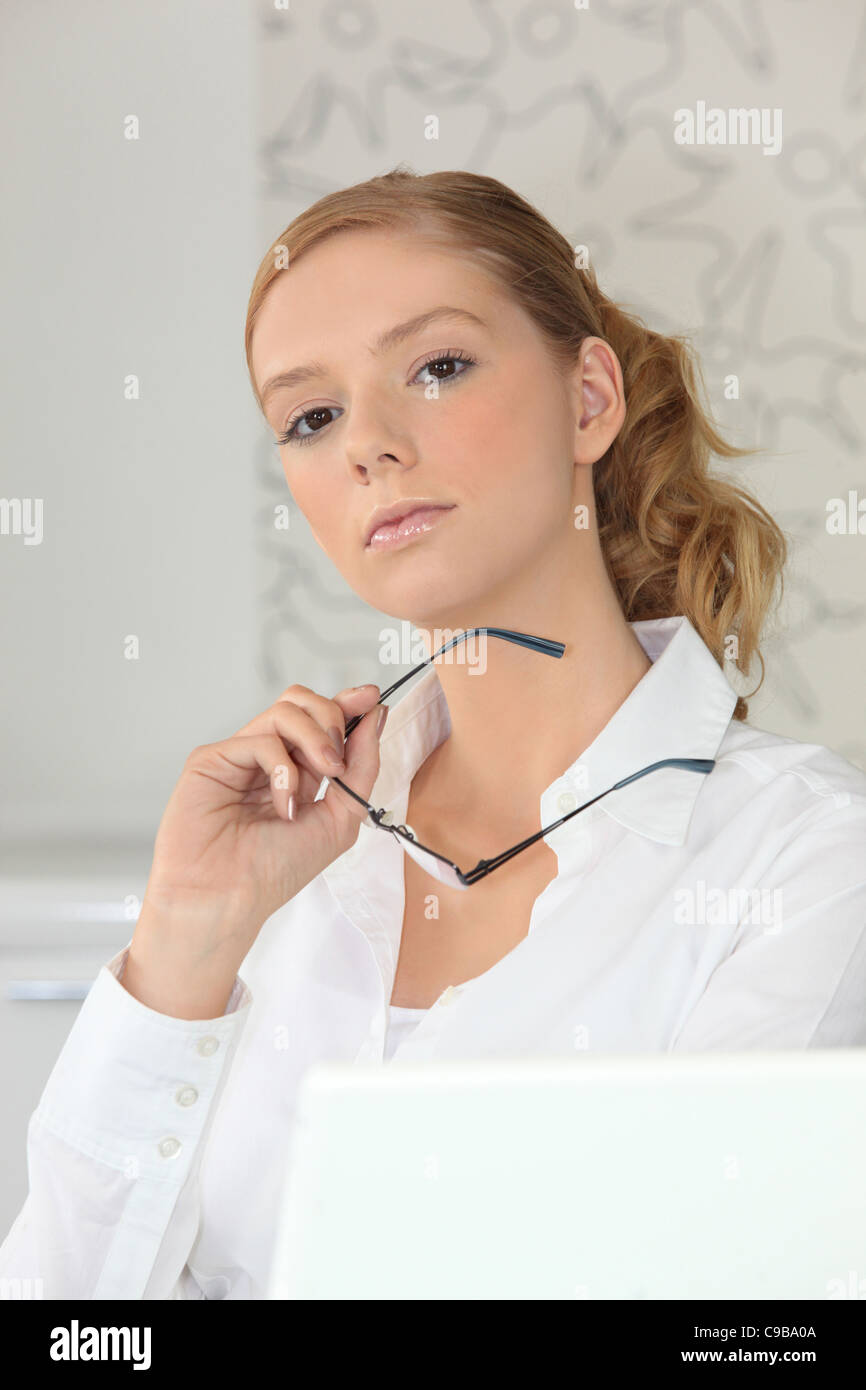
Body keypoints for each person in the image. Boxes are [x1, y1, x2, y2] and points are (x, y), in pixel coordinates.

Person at [2, 167, 865, 1300]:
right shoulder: (278, 872)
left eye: (436, 367)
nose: (367, 444)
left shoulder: (798, 862)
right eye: (310, 417)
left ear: (588, 400)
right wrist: (186, 943)